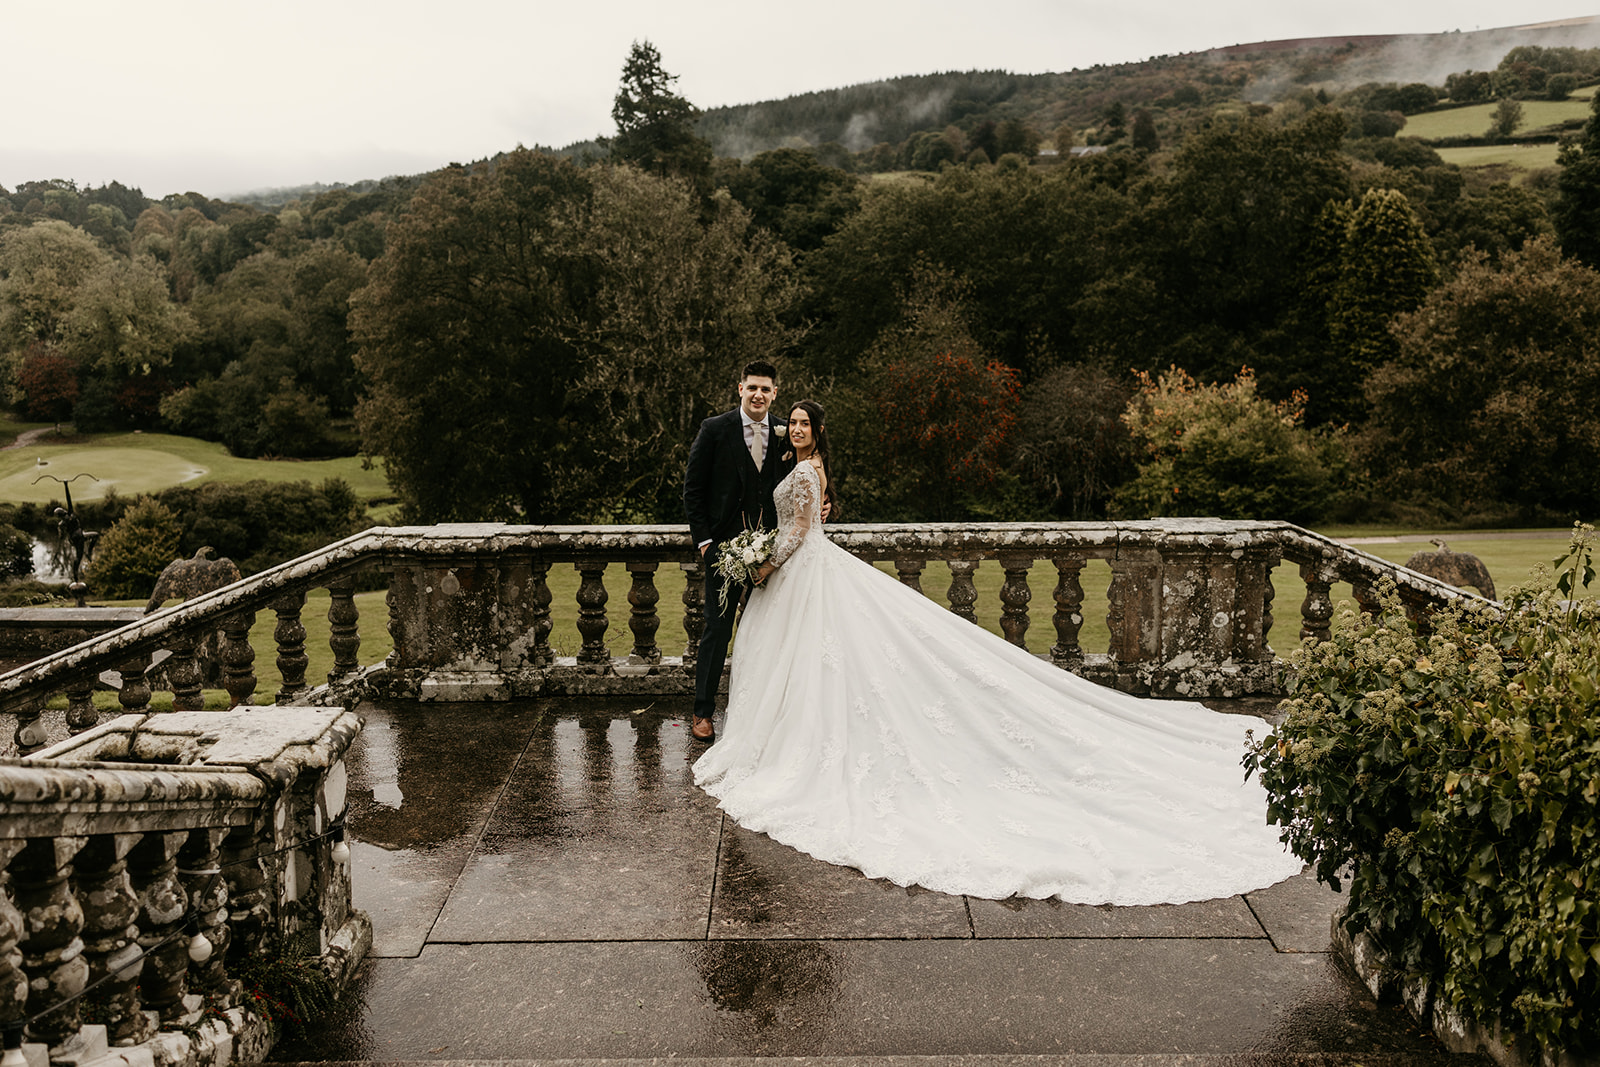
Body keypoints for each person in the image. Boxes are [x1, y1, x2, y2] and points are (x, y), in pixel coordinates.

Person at [693, 400, 1305, 906]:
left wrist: (761, 565)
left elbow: (800, 532)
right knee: (814, 666)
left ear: (818, 431)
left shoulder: (807, 470)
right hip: (803, 573)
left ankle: (802, 744)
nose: (796, 429)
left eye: (805, 424)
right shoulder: (798, 463)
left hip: (799, 569)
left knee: (823, 660)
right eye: (794, 423)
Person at [682, 360, 794, 743]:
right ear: (740, 389)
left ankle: (763, 713)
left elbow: (806, 478)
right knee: (717, 629)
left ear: (774, 393)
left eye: (766, 389)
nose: (758, 395)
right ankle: (702, 712)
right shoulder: (715, 429)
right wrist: (705, 544)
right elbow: (693, 489)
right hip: (724, 552)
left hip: (773, 554)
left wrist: (826, 504)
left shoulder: (786, 432)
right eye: (752, 388)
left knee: (771, 632)